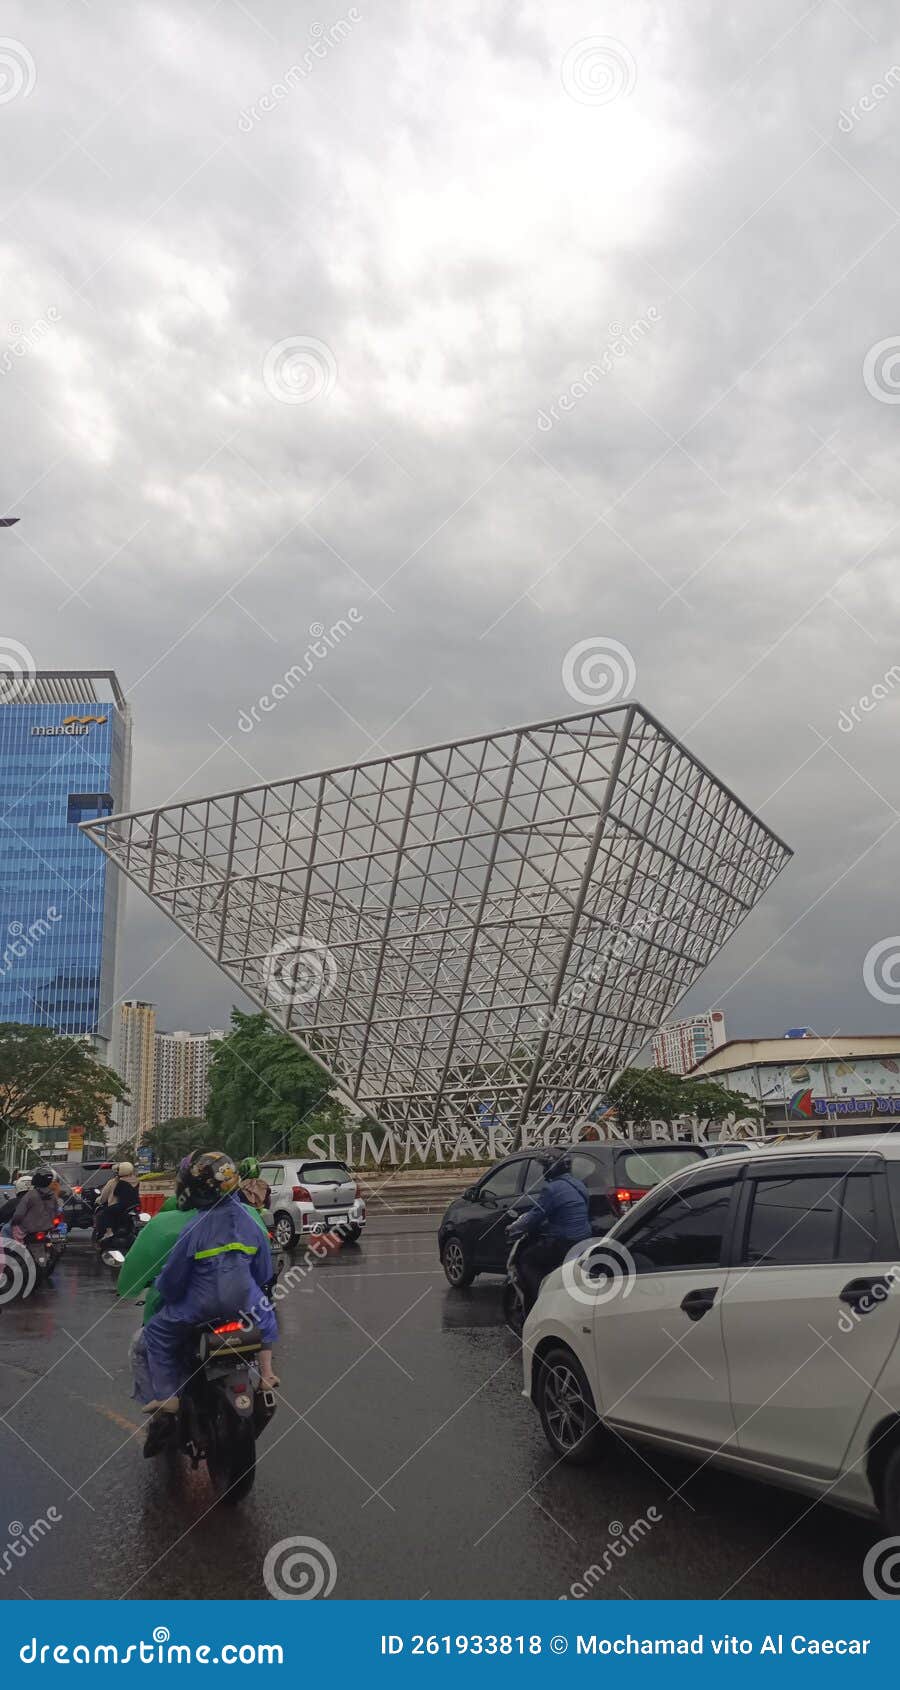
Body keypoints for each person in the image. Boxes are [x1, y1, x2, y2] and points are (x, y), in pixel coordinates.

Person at [142, 1151, 279, 1416]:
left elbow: (172, 1281)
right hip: (246, 1306)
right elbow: (263, 1273)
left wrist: (164, 1291)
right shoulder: (251, 1220)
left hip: (200, 1307)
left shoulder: (194, 1228)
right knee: (267, 1318)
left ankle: (168, 1396)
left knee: (156, 1333)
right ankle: (267, 1374)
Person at [508, 1152, 592, 1315]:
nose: (543, 1171)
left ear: (552, 1169)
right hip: (583, 1241)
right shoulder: (579, 1185)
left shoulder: (551, 1189)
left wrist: (513, 1228)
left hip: (563, 1243)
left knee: (527, 1260)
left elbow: (534, 1217)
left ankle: (540, 1301)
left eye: (545, 1167)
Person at [94, 1161, 140, 1243]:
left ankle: (109, 1232)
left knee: (106, 1212)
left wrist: (99, 1200)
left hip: (122, 1205)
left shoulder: (117, 1181)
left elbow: (105, 1196)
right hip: (134, 1204)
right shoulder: (135, 1180)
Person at [11, 1169, 61, 1238]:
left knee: (7, 1231)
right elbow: (57, 1213)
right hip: (47, 1231)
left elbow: (19, 1214)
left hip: (30, 1232)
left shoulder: (30, 1195)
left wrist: (13, 1222)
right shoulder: (52, 1196)